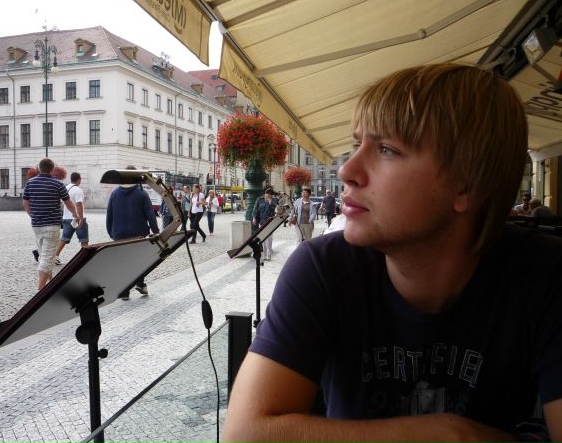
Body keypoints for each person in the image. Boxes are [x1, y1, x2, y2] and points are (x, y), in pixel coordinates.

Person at [222, 64, 562, 442]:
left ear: (466, 185)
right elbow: (246, 433)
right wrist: (443, 436)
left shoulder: (546, 275)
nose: (347, 170)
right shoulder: (322, 268)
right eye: (358, 145)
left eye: (386, 149)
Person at [23, 158, 81, 290]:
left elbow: (25, 203)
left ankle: (51, 283)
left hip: (36, 225)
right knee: (47, 258)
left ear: (40, 168)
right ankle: (41, 292)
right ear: (52, 169)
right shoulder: (57, 184)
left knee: (45, 255)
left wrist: (33, 216)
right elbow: (68, 203)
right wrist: (76, 215)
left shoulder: (30, 183)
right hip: (52, 226)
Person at [106, 165, 159, 299]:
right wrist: (156, 231)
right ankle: (140, 283)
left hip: (119, 234)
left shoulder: (115, 193)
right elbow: (150, 215)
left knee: (122, 261)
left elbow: (109, 215)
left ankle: (124, 291)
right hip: (139, 233)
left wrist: (111, 232)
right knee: (139, 260)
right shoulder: (142, 193)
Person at [55, 172, 88, 264]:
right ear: (79, 179)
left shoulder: (66, 188)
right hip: (77, 218)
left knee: (64, 238)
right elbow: (79, 204)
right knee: (84, 239)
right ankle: (85, 258)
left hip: (66, 217)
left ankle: (55, 255)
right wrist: (81, 218)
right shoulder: (78, 190)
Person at [252, 188, 278, 260]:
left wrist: (270, 203)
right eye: (267, 194)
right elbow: (255, 209)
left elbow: (276, 210)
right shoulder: (259, 199)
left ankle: (269, 254)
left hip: (270, 222)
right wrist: (254, 218)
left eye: (270, 194)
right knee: (263, 238)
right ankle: (264, 254)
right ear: (264, 193)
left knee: (269, 238)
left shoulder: (274, 200)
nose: (268, 195)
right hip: (262, 221)